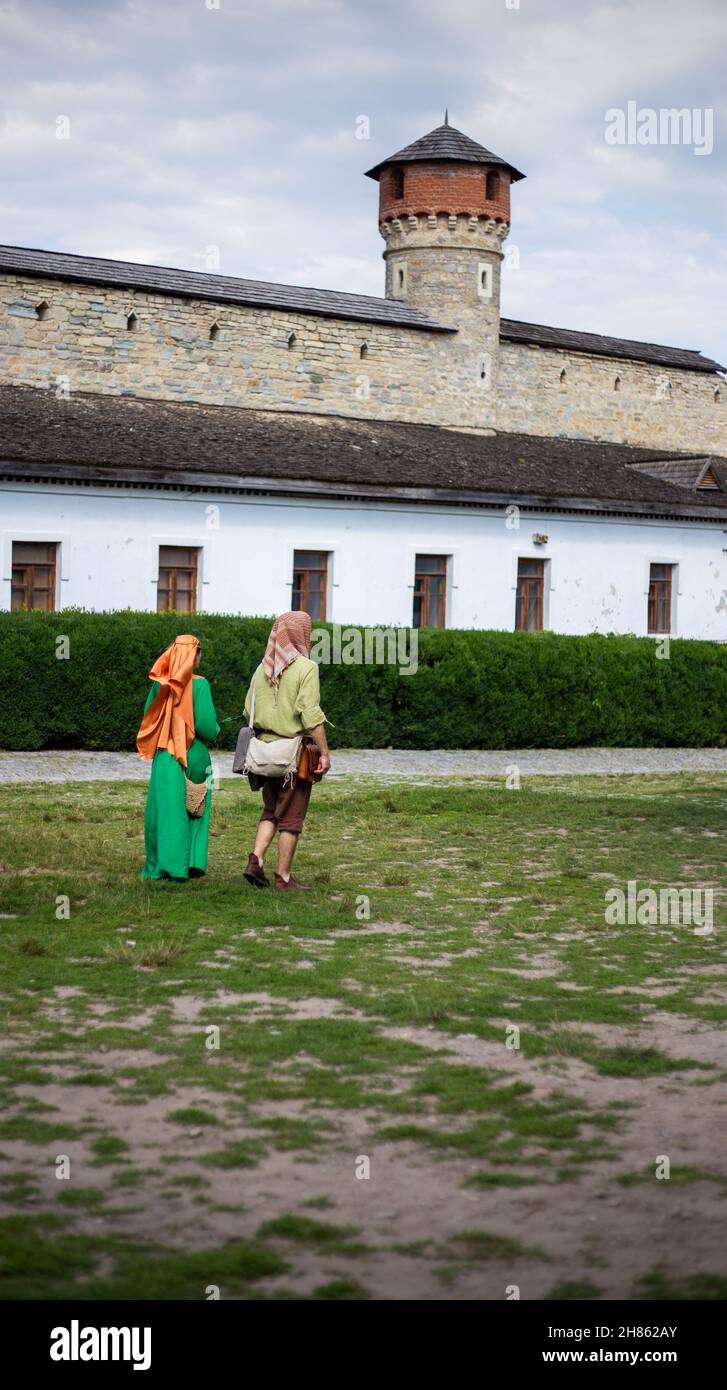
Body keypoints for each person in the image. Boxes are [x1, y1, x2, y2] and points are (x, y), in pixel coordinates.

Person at [243, 610, 330, 890]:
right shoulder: (307, 667)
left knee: (270, 810)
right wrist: (325, 753)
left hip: (263, 753)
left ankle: (255, 861)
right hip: (293, 756)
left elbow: (248, 710)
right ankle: (283, 878)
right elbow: (310, 713)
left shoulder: (261, 668)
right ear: (301, 634)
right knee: (291, 818)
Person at [136, 634, 220, 881]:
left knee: (163, 810)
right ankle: (190, 862)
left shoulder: (159, 685)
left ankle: (162, 863)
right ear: (195, 657)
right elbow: (206, 727)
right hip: (193, 755)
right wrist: (216, 729)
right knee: (194, 808)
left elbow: (148, 717)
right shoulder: (200, 685)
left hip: (164, 755)